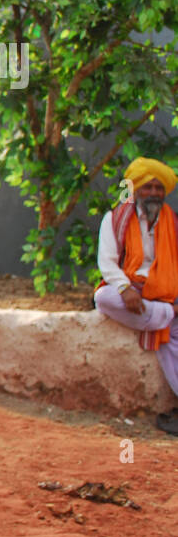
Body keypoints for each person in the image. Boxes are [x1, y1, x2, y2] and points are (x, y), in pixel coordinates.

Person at [94, 157, 178, 433]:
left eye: (158, 188)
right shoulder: (116, 218)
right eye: (147, 187)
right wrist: (124, 288)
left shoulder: (172, 223)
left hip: (166, 292)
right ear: (136, 189)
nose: (153, 193)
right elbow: (107, 262)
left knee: (173, 346)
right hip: (132, 292)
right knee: (103, 298)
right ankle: (166, 317)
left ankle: (166, 316)